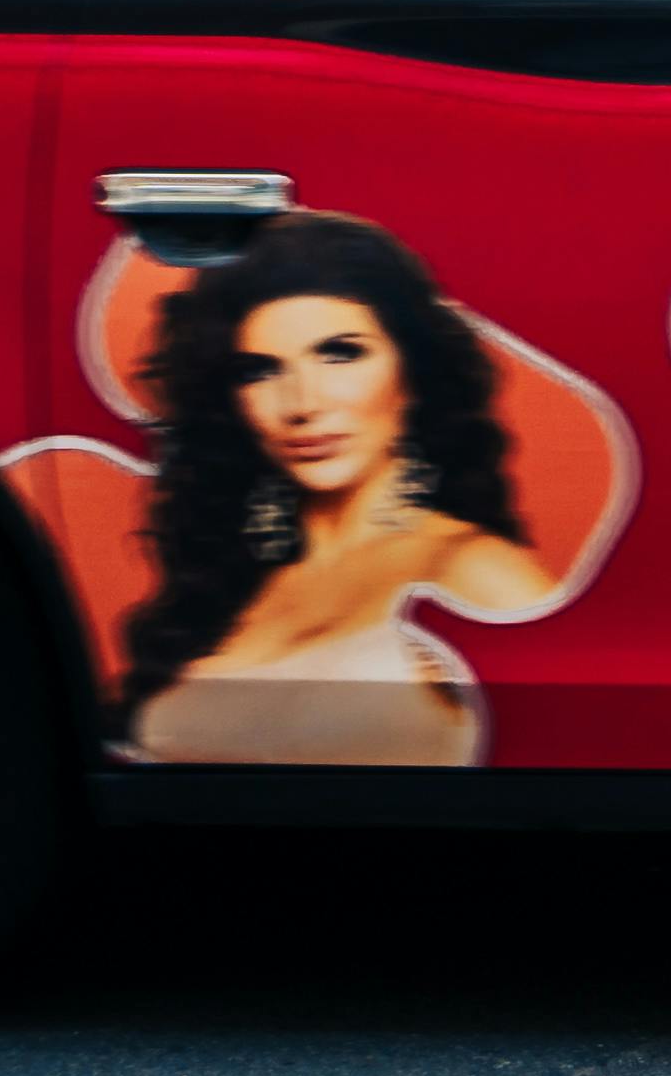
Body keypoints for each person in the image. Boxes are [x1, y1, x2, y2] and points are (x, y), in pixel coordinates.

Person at [117, 214, 555, 766]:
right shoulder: (235, 582)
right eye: (260, 371)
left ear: (412, 375)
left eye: (341, 353)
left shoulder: (472, 570)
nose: (303, 403)